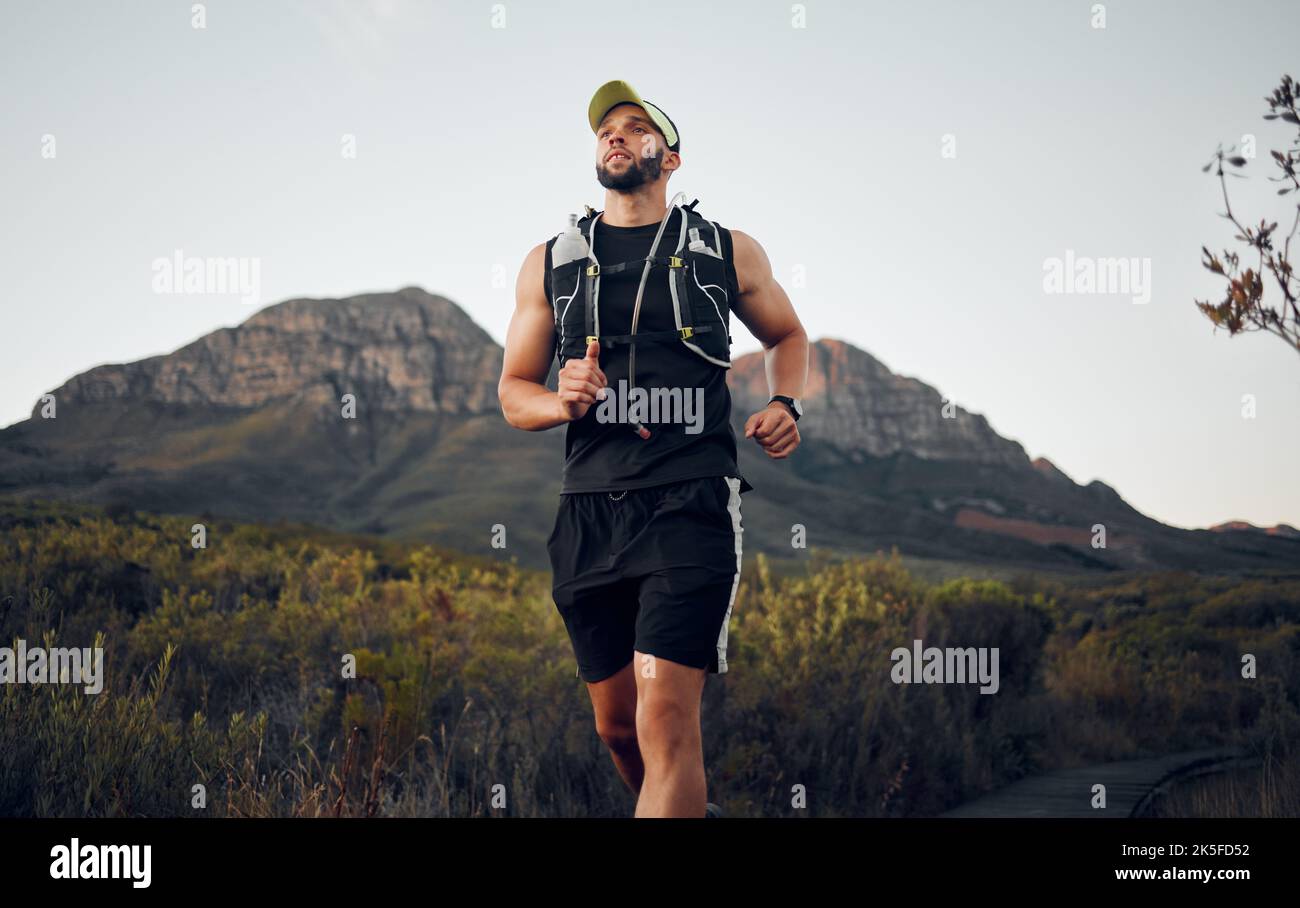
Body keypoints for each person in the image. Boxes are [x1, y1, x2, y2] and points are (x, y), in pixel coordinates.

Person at [498, 79, 808, 818]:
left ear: (669, 157)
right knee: (616, 728)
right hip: (587, 512)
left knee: (665, 716)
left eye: (634, 127)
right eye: (605, 128)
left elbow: (787, 336)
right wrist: (560, 400)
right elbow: (513, 391)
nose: (614, 135)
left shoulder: (727, 250)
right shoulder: (550, 261)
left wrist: (784, 402)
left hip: (689, 499)